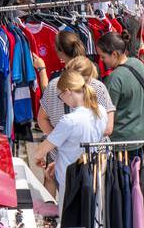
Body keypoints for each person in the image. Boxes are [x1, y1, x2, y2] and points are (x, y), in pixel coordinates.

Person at [32, 63, 107, 211]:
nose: (62, 100)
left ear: (67, 92)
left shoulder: (69, 121)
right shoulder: (101, 112)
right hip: (92, 173)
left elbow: (43, 149)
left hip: (71, 179)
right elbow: (80, 144)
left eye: (61, 96)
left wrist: (38, 158)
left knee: (71, 222)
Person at [36, 36, 114, 138]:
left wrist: (59, 140)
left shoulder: (54, 84)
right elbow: (108, 128)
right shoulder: (99, 87)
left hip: (64, 151)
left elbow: (42, 119)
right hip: (94, 151)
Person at [95, 26, 144, 145]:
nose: (101, 60)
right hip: (142, 135)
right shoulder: (138, 64)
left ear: (114, 54)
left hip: (121, 142)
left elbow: (106, 115)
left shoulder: (114, 79)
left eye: (103, 56)